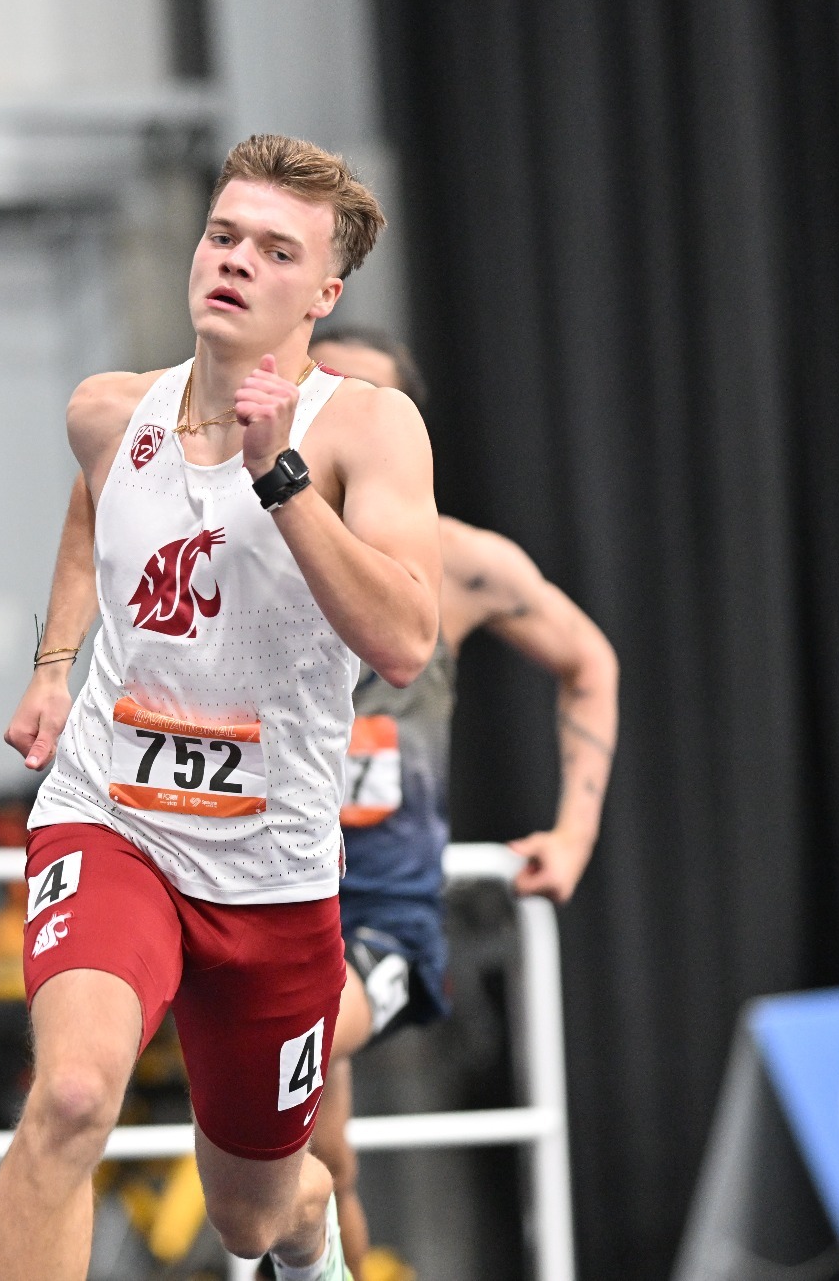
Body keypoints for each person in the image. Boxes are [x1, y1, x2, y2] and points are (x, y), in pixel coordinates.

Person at [0, 133, 440, 1281]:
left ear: (323, 291)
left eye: (273, 249)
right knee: (74, 1093)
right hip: (114, 814)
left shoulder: (364, 428)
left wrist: (276, 473)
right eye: (222, 234)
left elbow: (401, 637)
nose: (233, 261)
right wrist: (55, 661)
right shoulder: (108, 411)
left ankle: (310, 1227)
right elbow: (95, 509)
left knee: (250, 1213)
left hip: (270, 868)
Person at [304, 326, 620, 1268]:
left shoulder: (462, 563)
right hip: (271, 892)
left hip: (381, 915)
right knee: (314, 1167)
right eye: (332, 403)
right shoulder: (248, 549)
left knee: (301, 1046)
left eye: (375, 410)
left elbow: (588, 661)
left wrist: (573, 832)